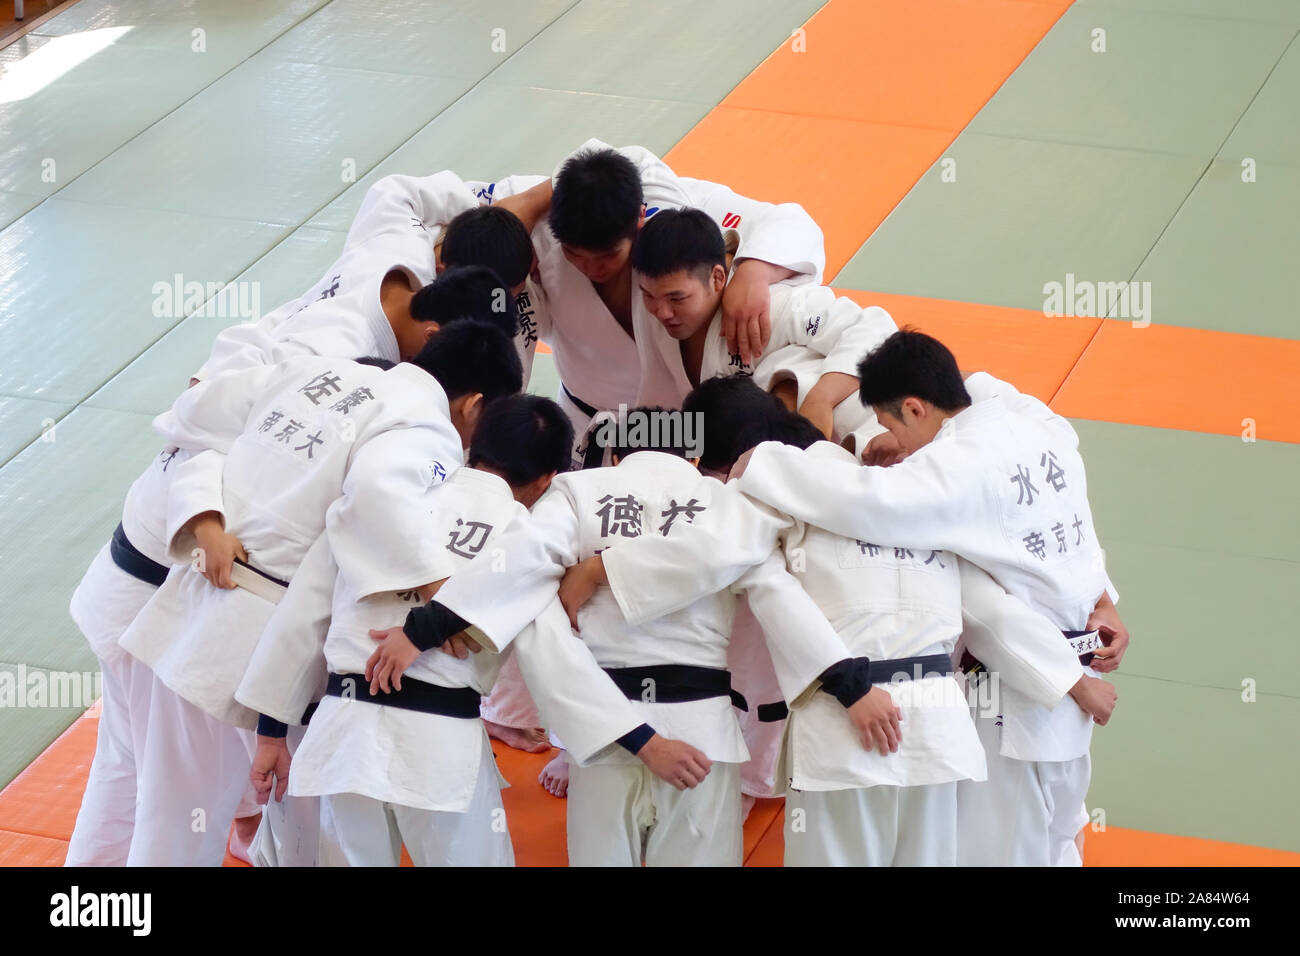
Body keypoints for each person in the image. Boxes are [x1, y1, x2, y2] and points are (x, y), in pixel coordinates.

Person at [582, 330, 1127, 866]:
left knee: (1009, 847)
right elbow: (1012, 571)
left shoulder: (889, 487)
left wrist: (603, 568)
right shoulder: (1034, 423)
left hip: (892, 717)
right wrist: (1103, 603)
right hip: (963, 722)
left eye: (894, 423)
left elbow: (735, 562)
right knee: (1058, 834)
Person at [114, 321, 522, 865]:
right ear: (473, 406)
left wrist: (207, 519)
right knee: (299, 824)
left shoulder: (312, 372)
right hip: (267, 636)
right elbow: (375, 496)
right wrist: (437, 594)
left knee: (173, 815)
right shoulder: (423, 427)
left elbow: (193, 412)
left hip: (190, 614)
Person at [629, 208, 896, 442]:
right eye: (649, 296)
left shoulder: (771, 305)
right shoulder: (660, 328)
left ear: (717, 278)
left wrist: (821, 400)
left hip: (872, 430)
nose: (662, 312)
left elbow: (875, 329)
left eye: (677, 298)